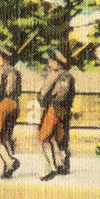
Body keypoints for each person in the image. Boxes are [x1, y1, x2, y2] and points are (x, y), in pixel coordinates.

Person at [37, 51, 75, 180]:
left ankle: (51, 168)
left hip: (56, 109)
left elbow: (61, 96)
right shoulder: (53, 75)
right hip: (52, 109)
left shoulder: (64, 76)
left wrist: (48, 102)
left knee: (44, 138)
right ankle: (60, 165)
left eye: (53, 61)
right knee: (56, 138)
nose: (50, 62)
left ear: (59, 64)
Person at [0, 45, 23, 179]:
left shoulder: (2, 71)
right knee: (5, 136)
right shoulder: (16, 72)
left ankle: (9, 161)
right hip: (15, 104)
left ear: (2, 58)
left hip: (3, 104)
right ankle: (7, 168)